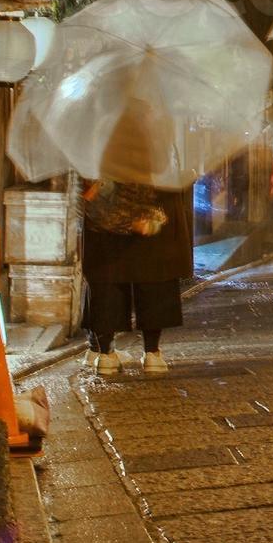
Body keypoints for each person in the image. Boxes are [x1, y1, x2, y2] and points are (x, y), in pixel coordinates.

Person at [78, 113, 194, 374]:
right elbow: (169, 172)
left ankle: (106, 354)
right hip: (151, 217)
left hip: (108, 223)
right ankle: (152, 353)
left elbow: (89, 181)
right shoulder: (156, 127)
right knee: (154, 283)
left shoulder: (100, 126)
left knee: (107, 282)